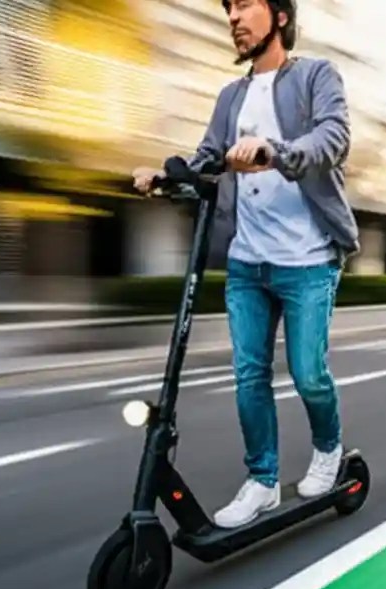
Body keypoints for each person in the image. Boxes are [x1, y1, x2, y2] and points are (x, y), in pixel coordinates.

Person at [132, 0, 359, 529]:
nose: (234, 16)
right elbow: (207, 156)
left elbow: (334, 138)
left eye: (246, 4)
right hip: (248, 262)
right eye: (229, 7)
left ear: (279, 15)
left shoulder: (316, 76)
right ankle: (262, 481)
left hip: (307, 260)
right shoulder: (230, 97)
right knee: (249, 376)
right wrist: (166, 177)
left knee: (308, 374)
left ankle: (329, 447)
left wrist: (273, 151)